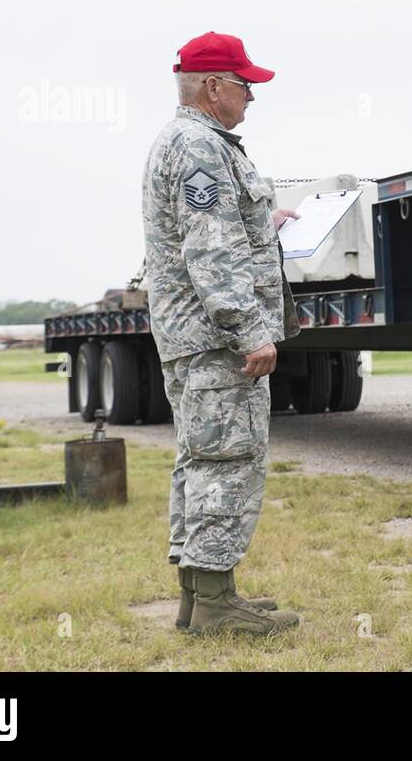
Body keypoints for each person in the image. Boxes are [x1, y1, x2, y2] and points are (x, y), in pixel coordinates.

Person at [142, 31, 302, 633]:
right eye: (244, 86)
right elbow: (211, 250)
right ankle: (214, 606)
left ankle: (201, 595)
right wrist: (248, 330)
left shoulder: (189, 143)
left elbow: (217, 227)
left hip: (194, 336)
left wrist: (266, 217)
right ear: (213, 87)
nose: (251, 98)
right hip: (214, 340)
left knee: (201, 458)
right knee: (225, 462)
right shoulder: (200, 147)